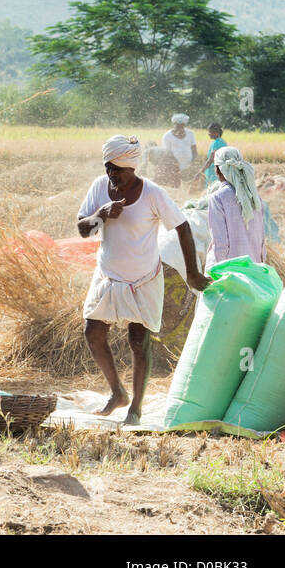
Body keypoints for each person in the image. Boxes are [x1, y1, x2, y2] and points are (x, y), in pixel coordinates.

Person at [77, 135, 209, 424]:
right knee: (93, 333)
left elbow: (183, 227)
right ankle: (117, 393)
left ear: (132, 169)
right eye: (108, 168)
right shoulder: (100, 188)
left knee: (139, 341)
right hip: (108, 276)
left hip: (144, 279)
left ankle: (135, 408)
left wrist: (192, 273)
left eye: (118, 170)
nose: (112, 175)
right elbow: (82, 229)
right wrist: (100, 215)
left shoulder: (152, 194)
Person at [205, 146, 265, 269]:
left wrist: (218, 273)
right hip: (254, 270)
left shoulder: (218, 198)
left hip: (231, 272)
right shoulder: (254, 197)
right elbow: (262, 241)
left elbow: (221, 243)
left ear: (217, 170)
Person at [160, 113, 197, 187]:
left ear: (184, 125)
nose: (180, 127)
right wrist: (176, 167)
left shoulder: (190, 134)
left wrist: (192, 164)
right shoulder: (167, 136)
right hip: (173, 168)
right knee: (175, 185)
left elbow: (194, 151)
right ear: (174, 124)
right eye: (178, 125)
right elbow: (167, 154)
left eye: (182, 125)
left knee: (188, 186)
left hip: (188, 167)